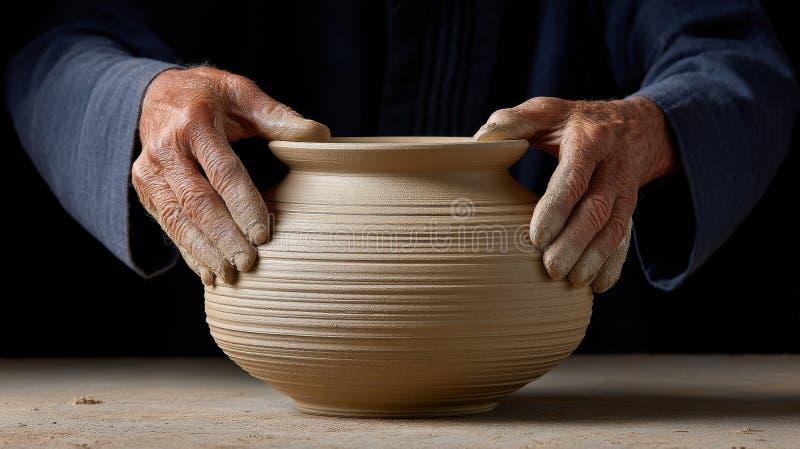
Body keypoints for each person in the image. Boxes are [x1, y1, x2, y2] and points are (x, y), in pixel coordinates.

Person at [5, 1, 797, 297]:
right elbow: (59, 39)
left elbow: (736, 56)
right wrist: (143, 99)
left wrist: (648, 123)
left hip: (572, 386)